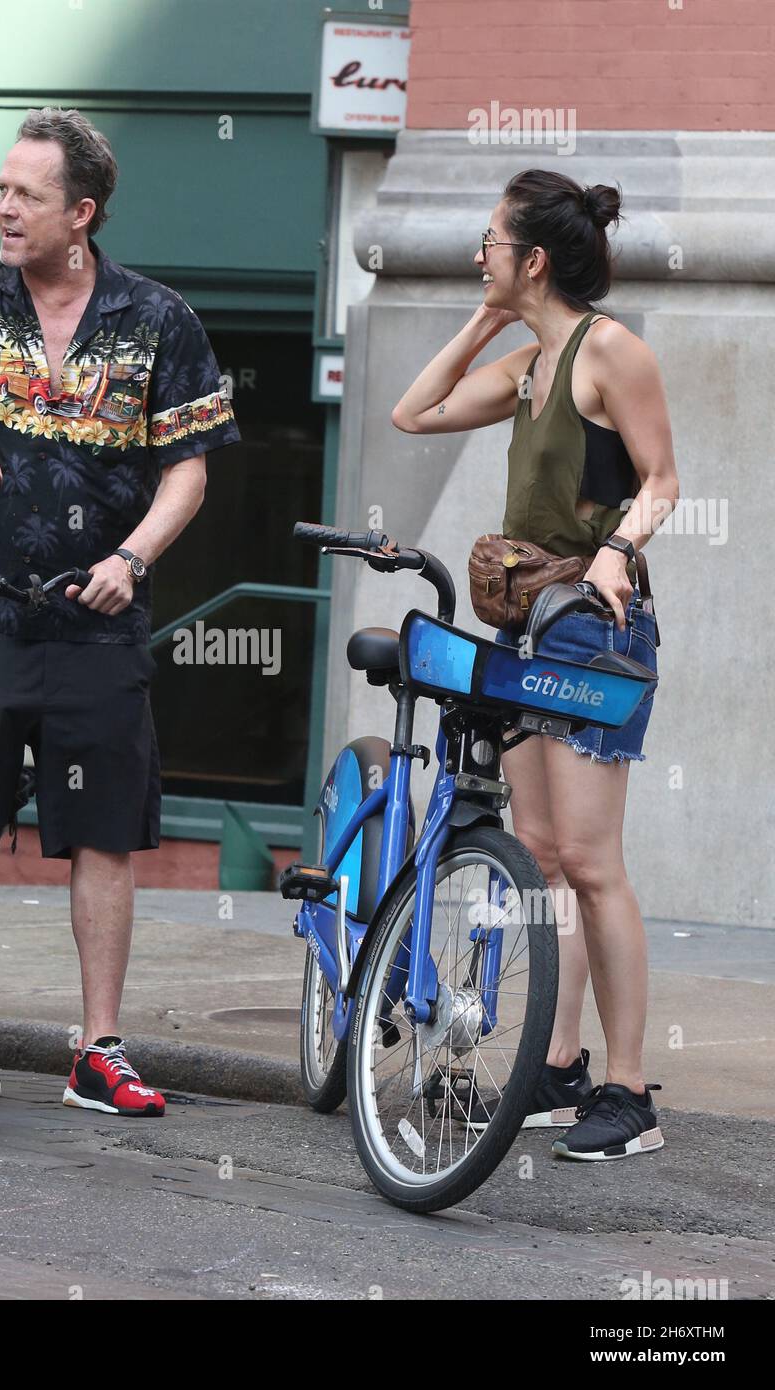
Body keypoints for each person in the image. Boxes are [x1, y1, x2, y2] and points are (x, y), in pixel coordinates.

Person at [0, 108, 239, 1115]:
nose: (3, 207)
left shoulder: (158, 318)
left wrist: (134, 556)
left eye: (24, 195)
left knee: (106, 836)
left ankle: (99, 1047)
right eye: (0, 189)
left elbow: (189, 472)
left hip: (96, 620)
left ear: (79, 212)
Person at [392, 169, 679, 1161]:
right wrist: (480, 320)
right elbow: (413, 413)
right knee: (544, 855)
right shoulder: (526, 363)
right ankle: (557, 1066)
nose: (480, 253)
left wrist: (618, 549)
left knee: (593, 864)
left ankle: (629, 1088)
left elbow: (663, 479)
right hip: (521, 625)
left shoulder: (610, 352)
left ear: (535, 259)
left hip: (590, 627)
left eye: (491, 243)